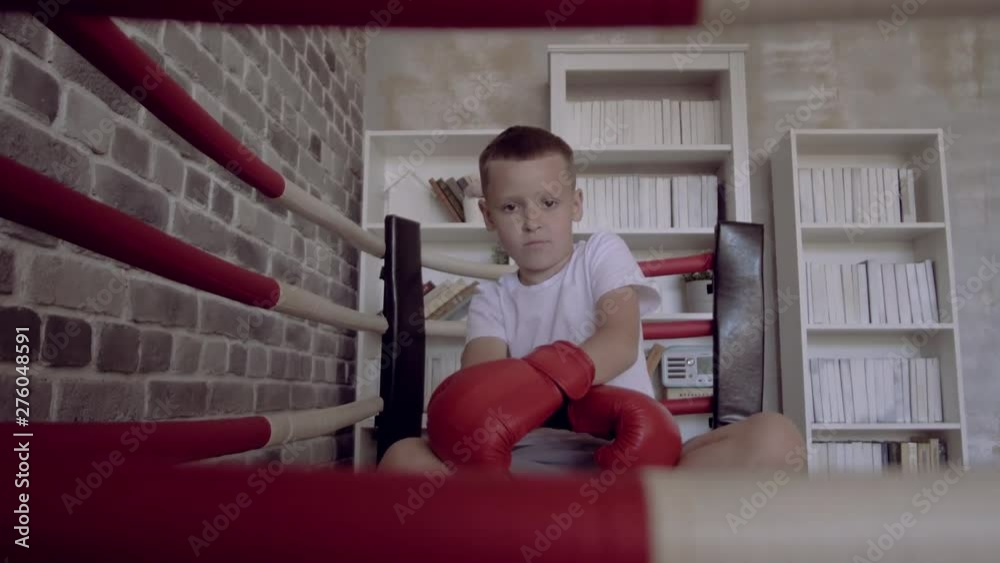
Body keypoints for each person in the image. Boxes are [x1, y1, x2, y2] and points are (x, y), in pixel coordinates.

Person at [377, 125, 803, 475]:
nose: (532, 221)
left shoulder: (600, 252)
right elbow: (480, 388)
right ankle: (540, 526)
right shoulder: (492, 297)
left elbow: (618, 341)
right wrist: (560, 403)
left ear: (575, 204)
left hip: (632, 451)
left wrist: (544, 393)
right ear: (488, 216)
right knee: (402, 459)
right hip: (525, 459)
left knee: (776, 439)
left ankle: (612, 521)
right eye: (511, 208)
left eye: (548, 202)